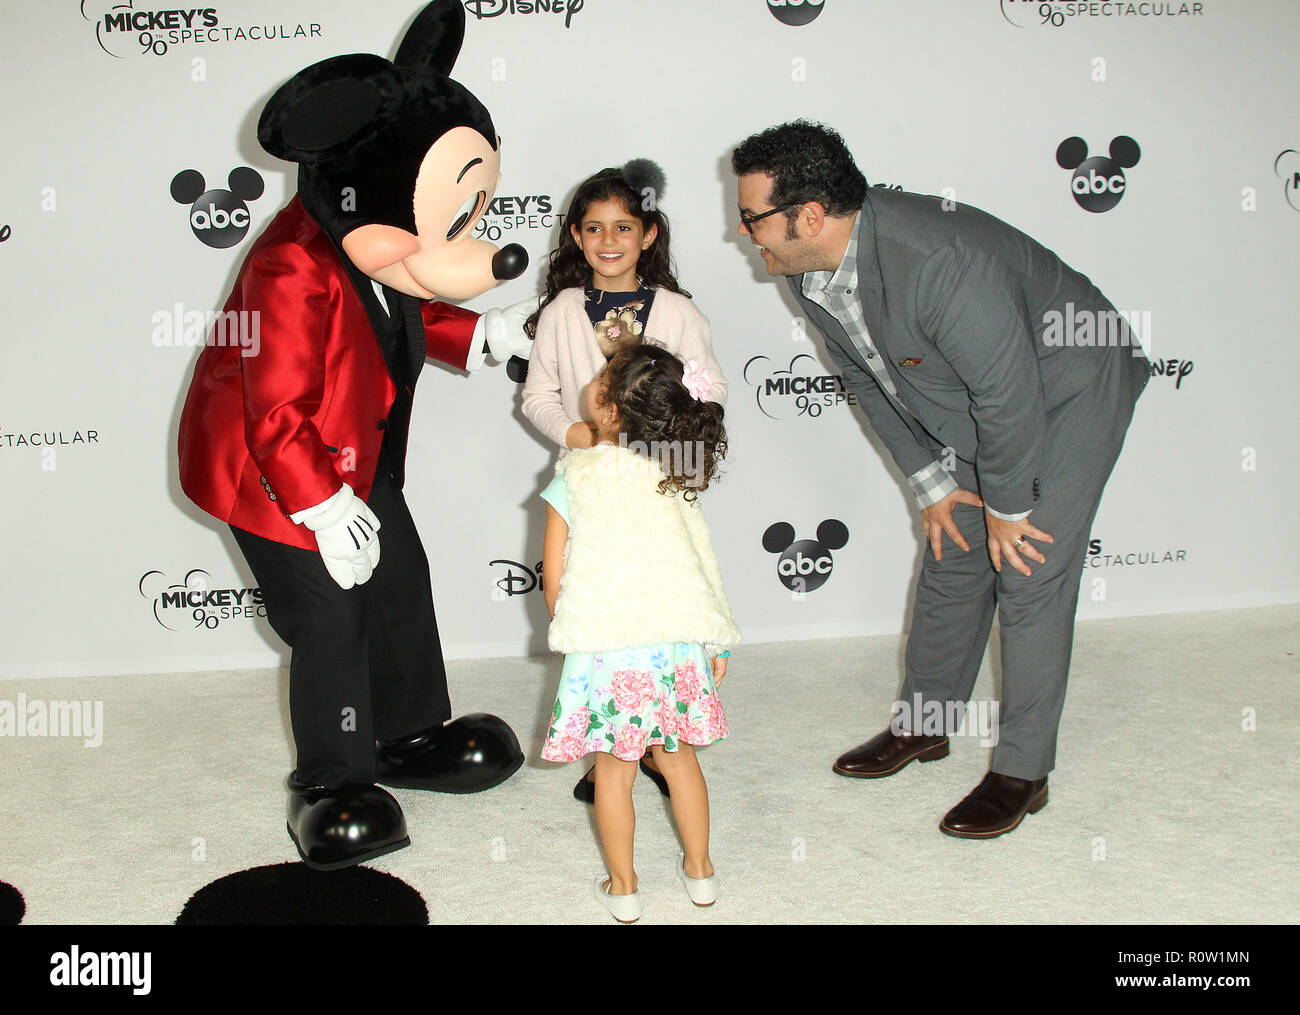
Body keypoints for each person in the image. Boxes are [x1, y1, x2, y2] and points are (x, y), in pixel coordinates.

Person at [731, 120, 1149, 839]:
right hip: (980, 396)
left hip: (1071, 385)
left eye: (751, 218)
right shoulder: (805, 267)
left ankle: (1023, 770)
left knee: (1027, 566)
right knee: (956, 550)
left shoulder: (939, 263)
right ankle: (926, 724)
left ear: (809, 215)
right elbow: (867, 378)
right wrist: (930, 481)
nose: (745, 235)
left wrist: (1009, 506)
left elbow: (1009, 397)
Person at [522, 159, 728, 805]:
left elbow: (709, 388)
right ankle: (610, 749)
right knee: (601, 605)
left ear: (649, 234)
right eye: (593, 228)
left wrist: (663, 440)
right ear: (576, 237)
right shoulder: (561, 311)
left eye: (623, 227)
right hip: (592, 484)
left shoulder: (678, 312)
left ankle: (665, 739)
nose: (608, 240)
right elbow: (538, 395)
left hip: (657, 485)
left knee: (660, 601)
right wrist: (578, 434)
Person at [538, 343, 739, 922]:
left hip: (607, 648)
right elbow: (698, 561)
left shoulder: (574, 477)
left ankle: (624, 888)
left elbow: (556, 577)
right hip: (673, 643)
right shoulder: (671, 474)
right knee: (679, 761)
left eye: (601, 376)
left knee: (614, 771)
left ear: (606, 409)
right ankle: (701, 873)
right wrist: (714, 637)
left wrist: (571, 631)